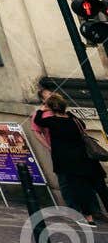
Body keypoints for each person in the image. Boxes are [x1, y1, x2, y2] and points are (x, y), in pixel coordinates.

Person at [33, 93, 108, 224]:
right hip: (87, 158)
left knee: (80, 189)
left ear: (50, 108)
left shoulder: (51, 121)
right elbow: (83, 126)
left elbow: (38, 121)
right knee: (101, 188)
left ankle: (89, 218)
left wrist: (41, 110)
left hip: (69, 161)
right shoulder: (73, 118)